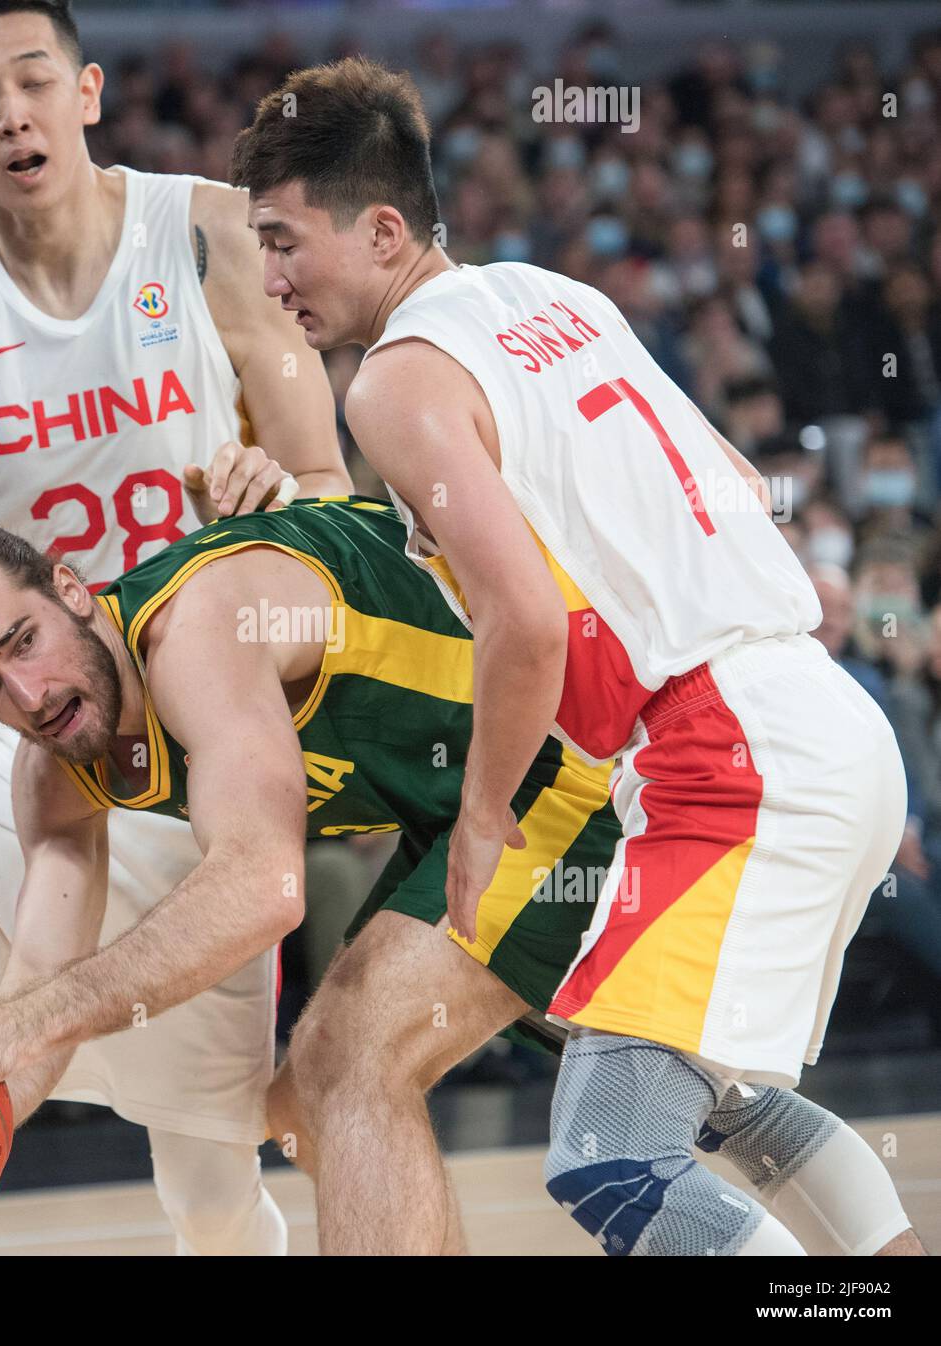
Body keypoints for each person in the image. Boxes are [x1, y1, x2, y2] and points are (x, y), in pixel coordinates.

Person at [226, 57, 922, 1256]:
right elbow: (747, 488)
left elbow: (528, 623)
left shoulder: (394, 381)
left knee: (610, 1159)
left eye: (285, 240)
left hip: (727, 754)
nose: (269, 276)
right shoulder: (556, 295)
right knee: (724, 1100)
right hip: (822, 712)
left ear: (382, 227)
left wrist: (486, 811)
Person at [0, 0, 349, 1257]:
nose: (13, 110)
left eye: (36, 79)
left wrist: (281, 499)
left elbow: (333, 492)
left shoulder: (215, 234)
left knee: (209, 1187)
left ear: (89, 92)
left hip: (179, 734)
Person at [0, 500, 620, 1259]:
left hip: (582, 746)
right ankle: (726, 1108)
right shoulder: (55, 777)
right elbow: (34, 995)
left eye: (23, 641)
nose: (28, 695)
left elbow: (264, 888)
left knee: (351, 1055)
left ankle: (729, 1108)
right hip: (469, 805)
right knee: (303, 1102)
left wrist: (16, 1023)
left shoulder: (198, 630)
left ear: (72, 589)